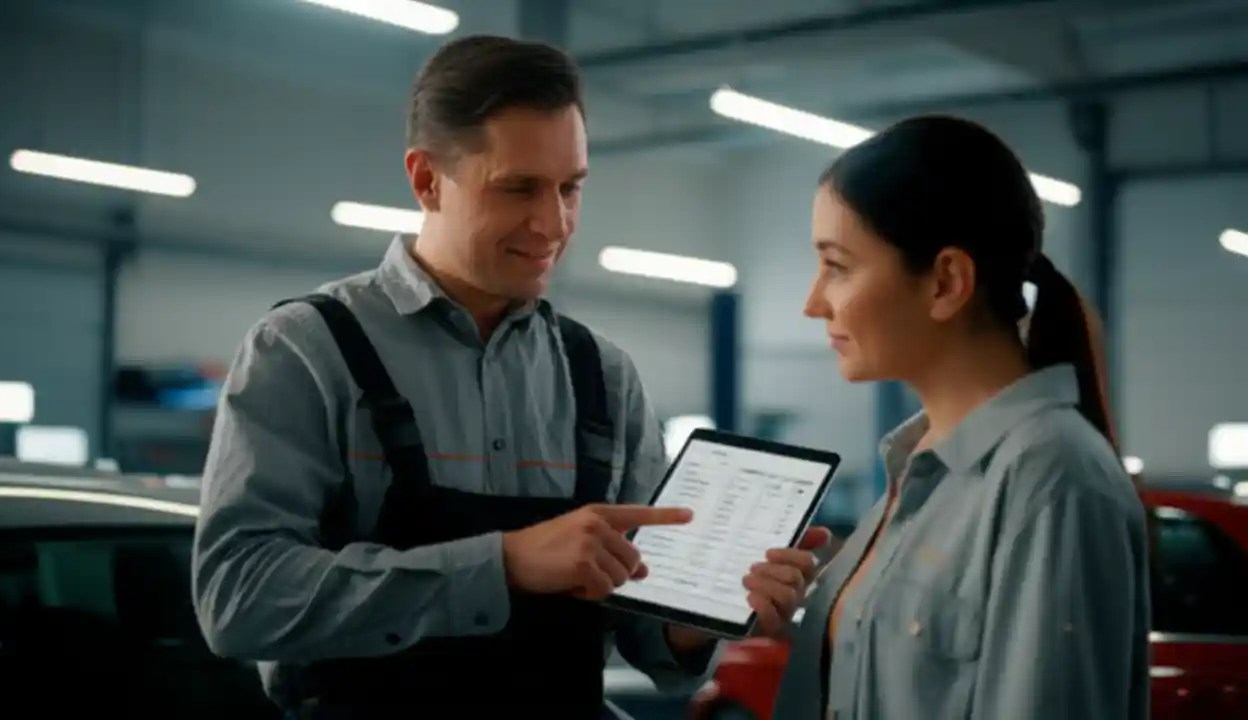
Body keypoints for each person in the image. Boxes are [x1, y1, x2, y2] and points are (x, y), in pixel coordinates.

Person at [191, 35, 822, 718]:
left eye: (571, 188)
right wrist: (504, 564)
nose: (553, 223)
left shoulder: (602, 377)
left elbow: (646, 635)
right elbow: (238, 597)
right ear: (427, 180)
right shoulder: (307, 351)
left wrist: (709, 610)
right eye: (518, 188)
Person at [772, 115, 1151, 720]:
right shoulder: (916, 475)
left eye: (838, 266)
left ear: (946, 281)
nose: (814, 302)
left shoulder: (1051, 478)